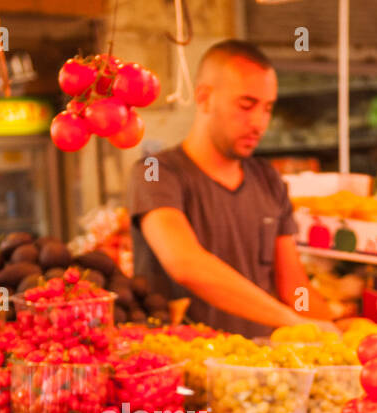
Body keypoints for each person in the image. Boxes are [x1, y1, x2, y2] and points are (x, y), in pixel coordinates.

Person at [128, 40, 333, 336]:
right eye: (246, 106)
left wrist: (332, 333)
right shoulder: (156, 172)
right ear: (204, 98)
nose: (259, 123)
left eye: (267, 109)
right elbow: (185, 263)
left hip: (261, 368)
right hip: (185, 369)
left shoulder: (268, 181)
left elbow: (294, 287)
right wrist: (292, 321)